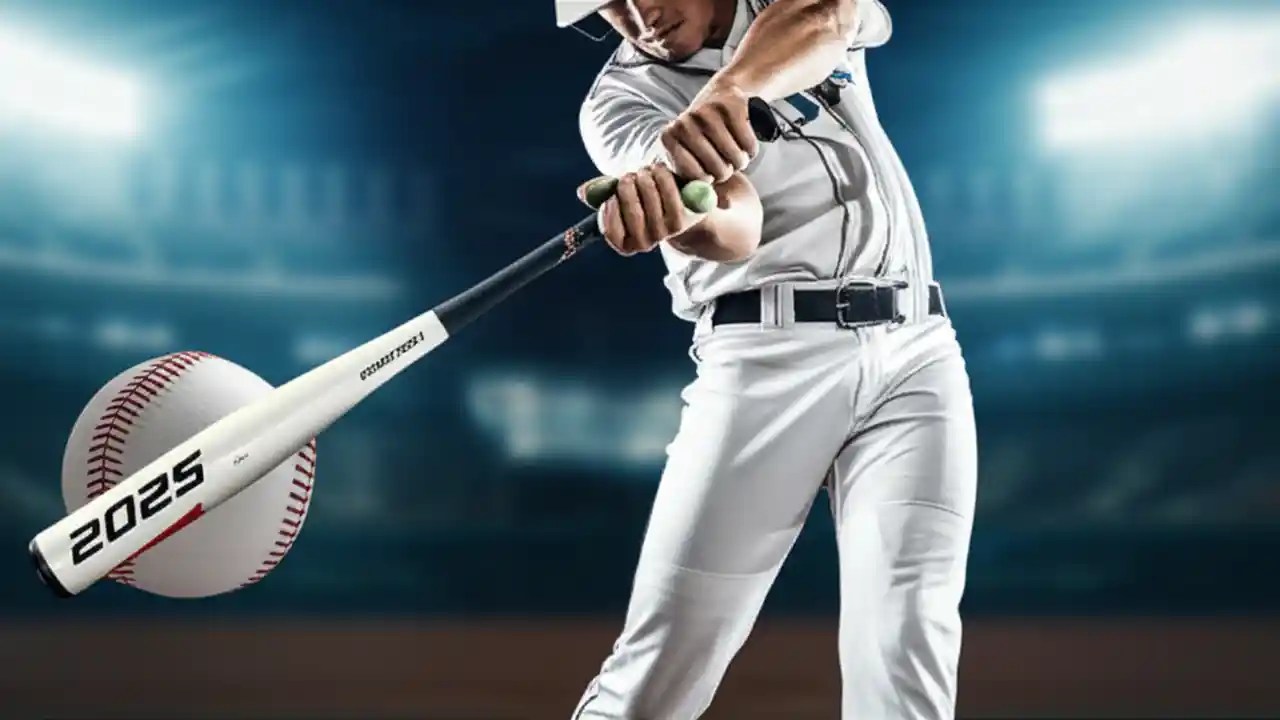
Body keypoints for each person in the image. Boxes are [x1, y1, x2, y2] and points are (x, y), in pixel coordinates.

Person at [558, 1, 979, 717]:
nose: (639, 12)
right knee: (662, 668)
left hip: (918, 350)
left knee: (909, 640)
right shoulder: (620, 101)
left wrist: (731, 89)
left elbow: (831, 15)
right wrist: (683, 213)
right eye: (610, 4)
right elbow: (736, 222)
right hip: (765, 361)